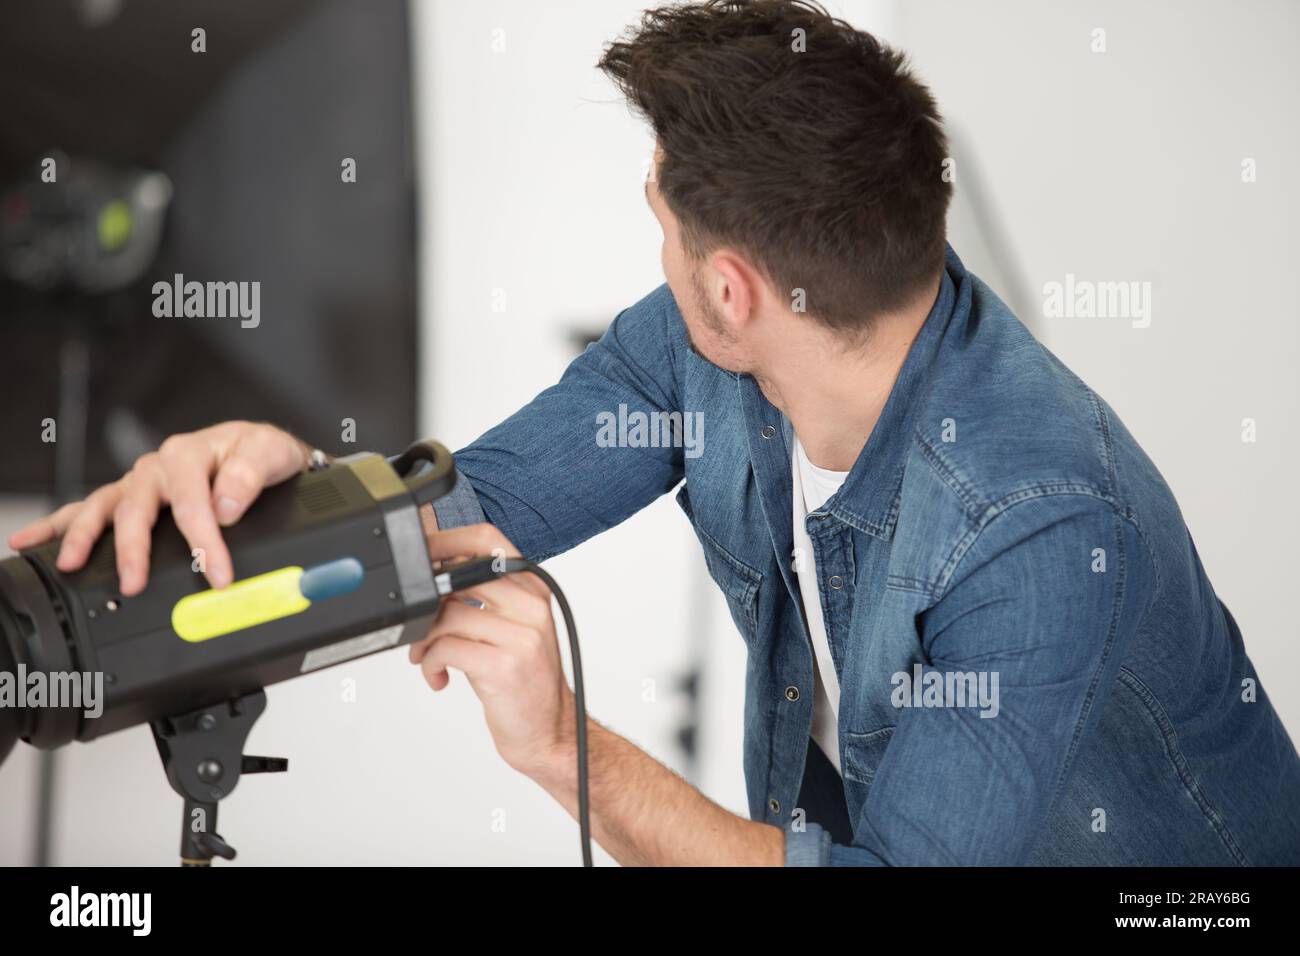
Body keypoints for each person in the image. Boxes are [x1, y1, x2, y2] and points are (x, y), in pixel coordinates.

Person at [12, 0, 1300, 865]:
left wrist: (569, 749)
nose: (659, 253)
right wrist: (278, 482)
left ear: (734, 287)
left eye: (663, 222)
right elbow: (464, 514)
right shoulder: (702, 352)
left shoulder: (1038, 527)